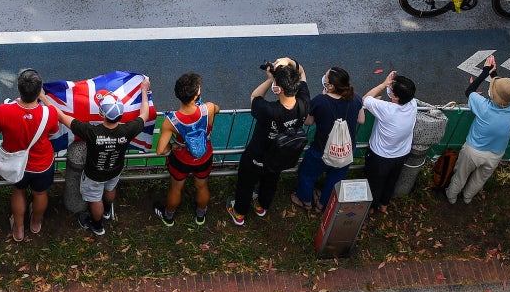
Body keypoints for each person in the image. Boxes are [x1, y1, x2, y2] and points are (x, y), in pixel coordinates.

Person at [45, 78, 153, 236]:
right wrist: (144, 90)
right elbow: (145, 114)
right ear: (121, 114)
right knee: (110, 188)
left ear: (102, 113)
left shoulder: (92, 132)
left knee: (95, 199)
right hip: (115, 170)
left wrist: (43, 97)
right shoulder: (128, 130)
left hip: (94, 174)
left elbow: (61, 116)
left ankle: (97, 225)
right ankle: (108, 210)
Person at [228, 58, 310, 226]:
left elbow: (255, 96)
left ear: (277, 89)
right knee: (271, 181)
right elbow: (302, 72)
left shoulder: (269, 110)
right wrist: (289, 61)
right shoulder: (304, 103)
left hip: (257, 154)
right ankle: (261, 206)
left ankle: (239, 212)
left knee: (246, 183)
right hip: (281, 156)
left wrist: (269, 79)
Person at [0, 69, 58, 242]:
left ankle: (18, 229)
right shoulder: (50, 113)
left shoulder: (4, 110)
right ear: (39, 91)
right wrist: (45, 99)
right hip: (42, 163)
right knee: (40, 194)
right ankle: (35, 223)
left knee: (18, 191)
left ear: (19, 89)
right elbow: (53, 133)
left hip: (16, 164)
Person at [445, 56, 510, 204]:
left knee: (461, 175)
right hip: (496, 153)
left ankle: (451, 196)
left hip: (474, 151)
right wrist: (494, 73)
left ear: (492, 95)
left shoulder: (484, 107)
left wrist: (486, 71)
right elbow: (503, 93)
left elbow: (469, 91)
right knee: (480, 179)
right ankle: (468, 197)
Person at [291, 67, 365, 213]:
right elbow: (361, 120)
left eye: (325, 76)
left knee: (307, 174)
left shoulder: (320, 101)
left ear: (331, 86)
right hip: (346, 150)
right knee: (335, 178)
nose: (323, 77)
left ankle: (304, 199)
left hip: (321, 149)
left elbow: (308, 122)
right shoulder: (356, 98)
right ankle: (322, 205)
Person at [154, 73, 219, 227]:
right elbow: (218, 109)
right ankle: (200, 214)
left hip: (181, 159)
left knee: (176, 188)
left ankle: (169, 217)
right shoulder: (208, 108)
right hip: (204, 156)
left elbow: (160, 150)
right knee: (202, 186)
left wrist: (173, 146)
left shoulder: (171, 121)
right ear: (197, 94)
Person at [361, 71, 418, 213]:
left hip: (380, 156)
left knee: (374, 183)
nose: (389, 89)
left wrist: (383, 84)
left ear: (396, 97)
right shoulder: (413, 104)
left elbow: (365, 99)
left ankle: (372, 208)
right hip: (401, 154)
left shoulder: (386, 109)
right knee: (391, 181)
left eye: (391, 89)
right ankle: (384, 204)